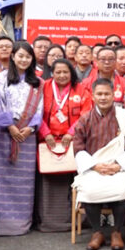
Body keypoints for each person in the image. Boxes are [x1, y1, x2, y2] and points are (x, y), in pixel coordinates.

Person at [72, 78, 125, 250]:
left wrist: (119, 165)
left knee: (120, 188)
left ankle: (117, 232)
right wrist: (94, 166)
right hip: (93, 167)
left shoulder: (123, 116)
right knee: (88, 190)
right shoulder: (85, 119)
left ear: (113, 95)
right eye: (99, 94)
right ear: (93, 96)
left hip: (118, 167)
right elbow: (78, 147)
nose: (103, 97)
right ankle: (97, 232)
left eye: (107, 94)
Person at [0, 41, 44, 236]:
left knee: (25, 181)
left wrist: (30, 128)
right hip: (6, 132)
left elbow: (40, 107)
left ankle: (23, 223)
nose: (24, 59)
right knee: (4, 178)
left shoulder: (37, 82)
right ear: (13, 56)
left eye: (27, 56)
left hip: (27, 135)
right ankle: (4, 224)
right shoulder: (2, 78)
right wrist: (11, 127)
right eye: (20, 55)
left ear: (32, 59)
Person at [36, 59, 92, 232]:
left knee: (73, 181)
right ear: (52, 72)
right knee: (49, 181)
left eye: (65, 72)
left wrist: (71, 132)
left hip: (73, 141)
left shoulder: (81, 89)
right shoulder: (43, 87)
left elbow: (86, 113)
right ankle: (48, 221)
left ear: (71, 72)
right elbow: (35, 112)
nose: (61, 75)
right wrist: (45, 133)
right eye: (58, 72)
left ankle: (75, 220)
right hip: (48, 142)